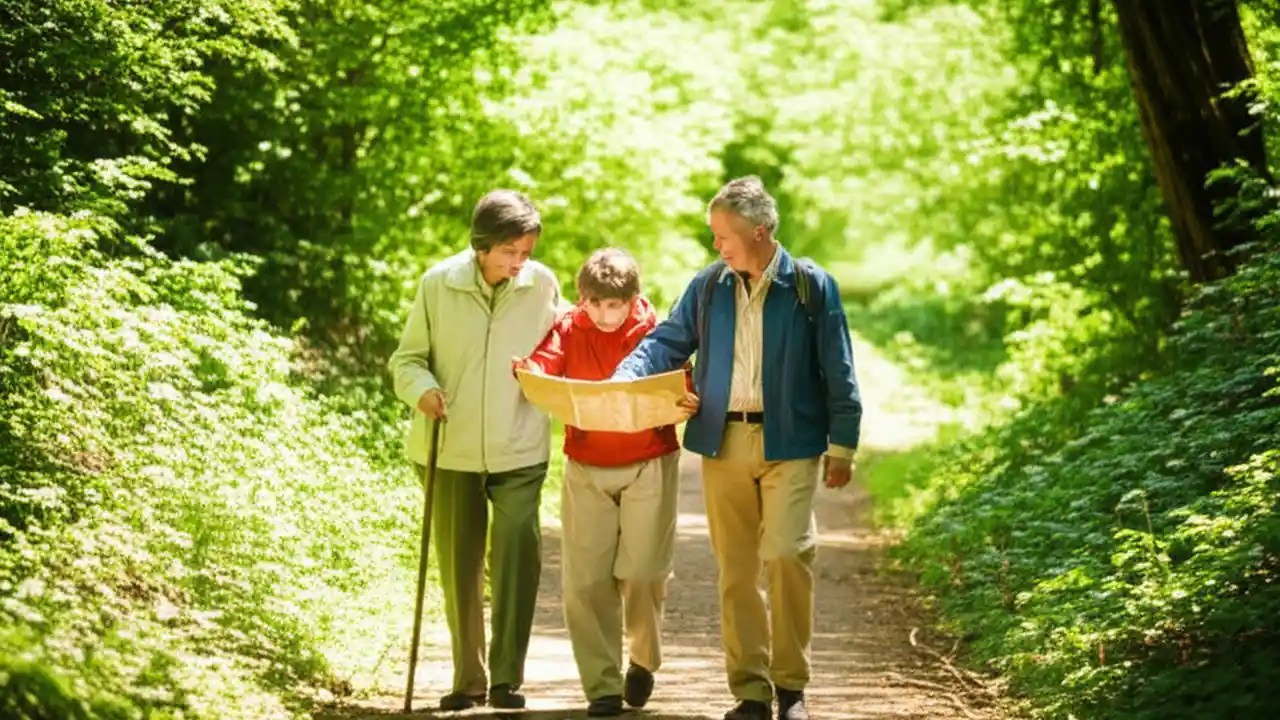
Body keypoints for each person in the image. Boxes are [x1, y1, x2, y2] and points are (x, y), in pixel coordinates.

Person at [612, 176, 862, 720]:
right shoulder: (709, 286)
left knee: (786, 554)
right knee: (738, 571)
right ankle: (750, 691)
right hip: (723, 440)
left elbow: (838, 365)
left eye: (723, 236)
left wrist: (843, 441)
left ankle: (791, 686)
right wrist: (627, 373)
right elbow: (666, 340)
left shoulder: (810, 286)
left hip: (792, 442)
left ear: (760, 230)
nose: (717, 247)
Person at [388, 188, 564, 711]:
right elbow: (407, 359)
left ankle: (507, 679)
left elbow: (574, 337)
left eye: (526, 252)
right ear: (482, 245)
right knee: (461, 567)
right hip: (451, 449)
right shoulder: (438, 284)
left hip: (519, 446)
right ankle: (469, 680)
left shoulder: (542, 285)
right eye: (509, 252)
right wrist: (421, 389)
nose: (518, 263)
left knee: (517, 551)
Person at [513, 248, 697, 717]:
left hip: (648, 461)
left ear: (632, 300)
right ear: (583, 300)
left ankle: (643, 660)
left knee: (643, 573)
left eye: (613, 305)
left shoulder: (655, 329)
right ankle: (602, 686)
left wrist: (688, 398)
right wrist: (532, 373)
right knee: (586, 581)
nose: (603, 314)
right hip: (586, 465)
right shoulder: (571, 325)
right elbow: (546, 362)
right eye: (594, 304)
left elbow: (684, 379)